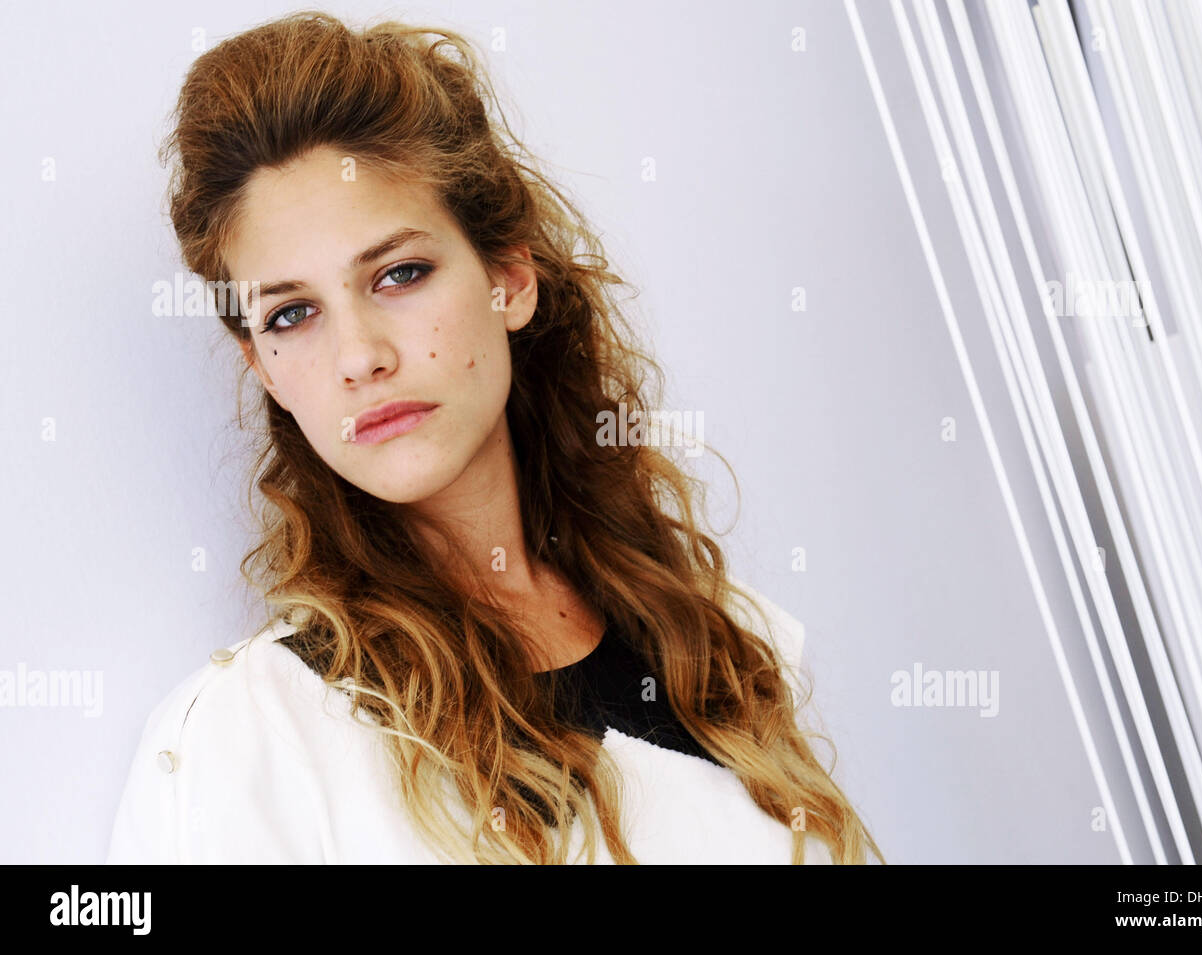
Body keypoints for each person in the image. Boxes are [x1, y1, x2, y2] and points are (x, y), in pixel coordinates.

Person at [105, 10, 885, 865]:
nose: (361, 356)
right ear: (262, 365)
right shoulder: (248, 742)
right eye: (293, 314)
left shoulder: (728, 645)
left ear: (509, 278)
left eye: (399, 273)